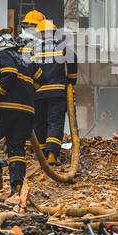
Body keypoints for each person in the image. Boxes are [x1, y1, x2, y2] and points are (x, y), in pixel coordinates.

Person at [0, 25, 41, 194]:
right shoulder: (25, 56)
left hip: (6, 108)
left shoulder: (3, 54)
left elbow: (10, 74)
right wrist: (25, 93)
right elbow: (41, 79)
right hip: (27, 111)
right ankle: (17, 187)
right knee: (17, 147)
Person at [30, 19, 78, 164]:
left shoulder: (31, 50)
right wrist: (71, 79)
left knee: (39, 123)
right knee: (55, 122)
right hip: (57, 92)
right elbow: (73, 58)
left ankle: (41, 155)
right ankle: (52, 154)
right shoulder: (61, 47)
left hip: (38, 94)